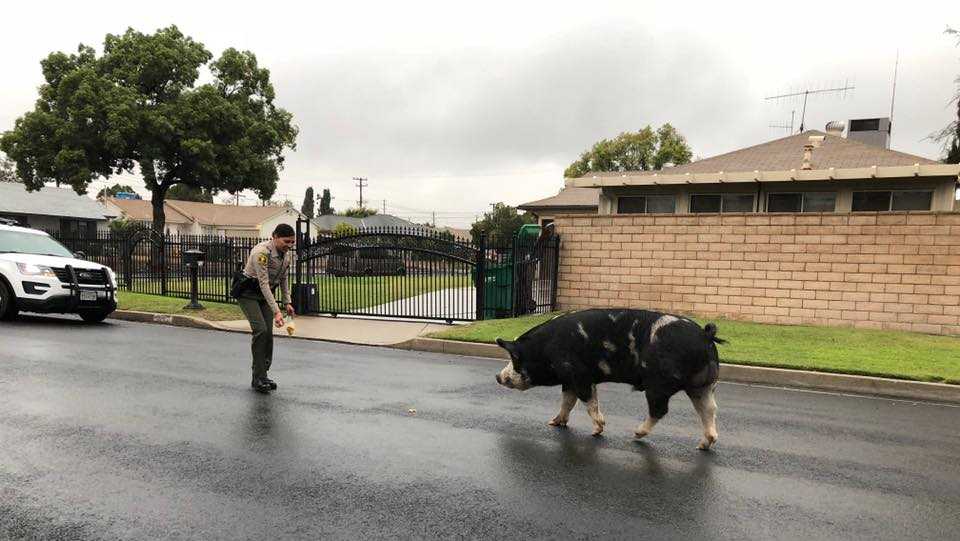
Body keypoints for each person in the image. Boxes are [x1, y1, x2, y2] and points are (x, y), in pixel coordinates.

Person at [238, 223, 296, 393]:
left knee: (268, 334)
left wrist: (287, 302)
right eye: (286, 241)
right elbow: (263, 283)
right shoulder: (261, 253)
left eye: (292, 242)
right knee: (261, 330)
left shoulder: (286, 256)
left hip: (265, 294)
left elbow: (284, 279)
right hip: (248, 293)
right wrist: (277, 311)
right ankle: (257, 377)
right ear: (275, 237)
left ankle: (263, 374)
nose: (289, 245)